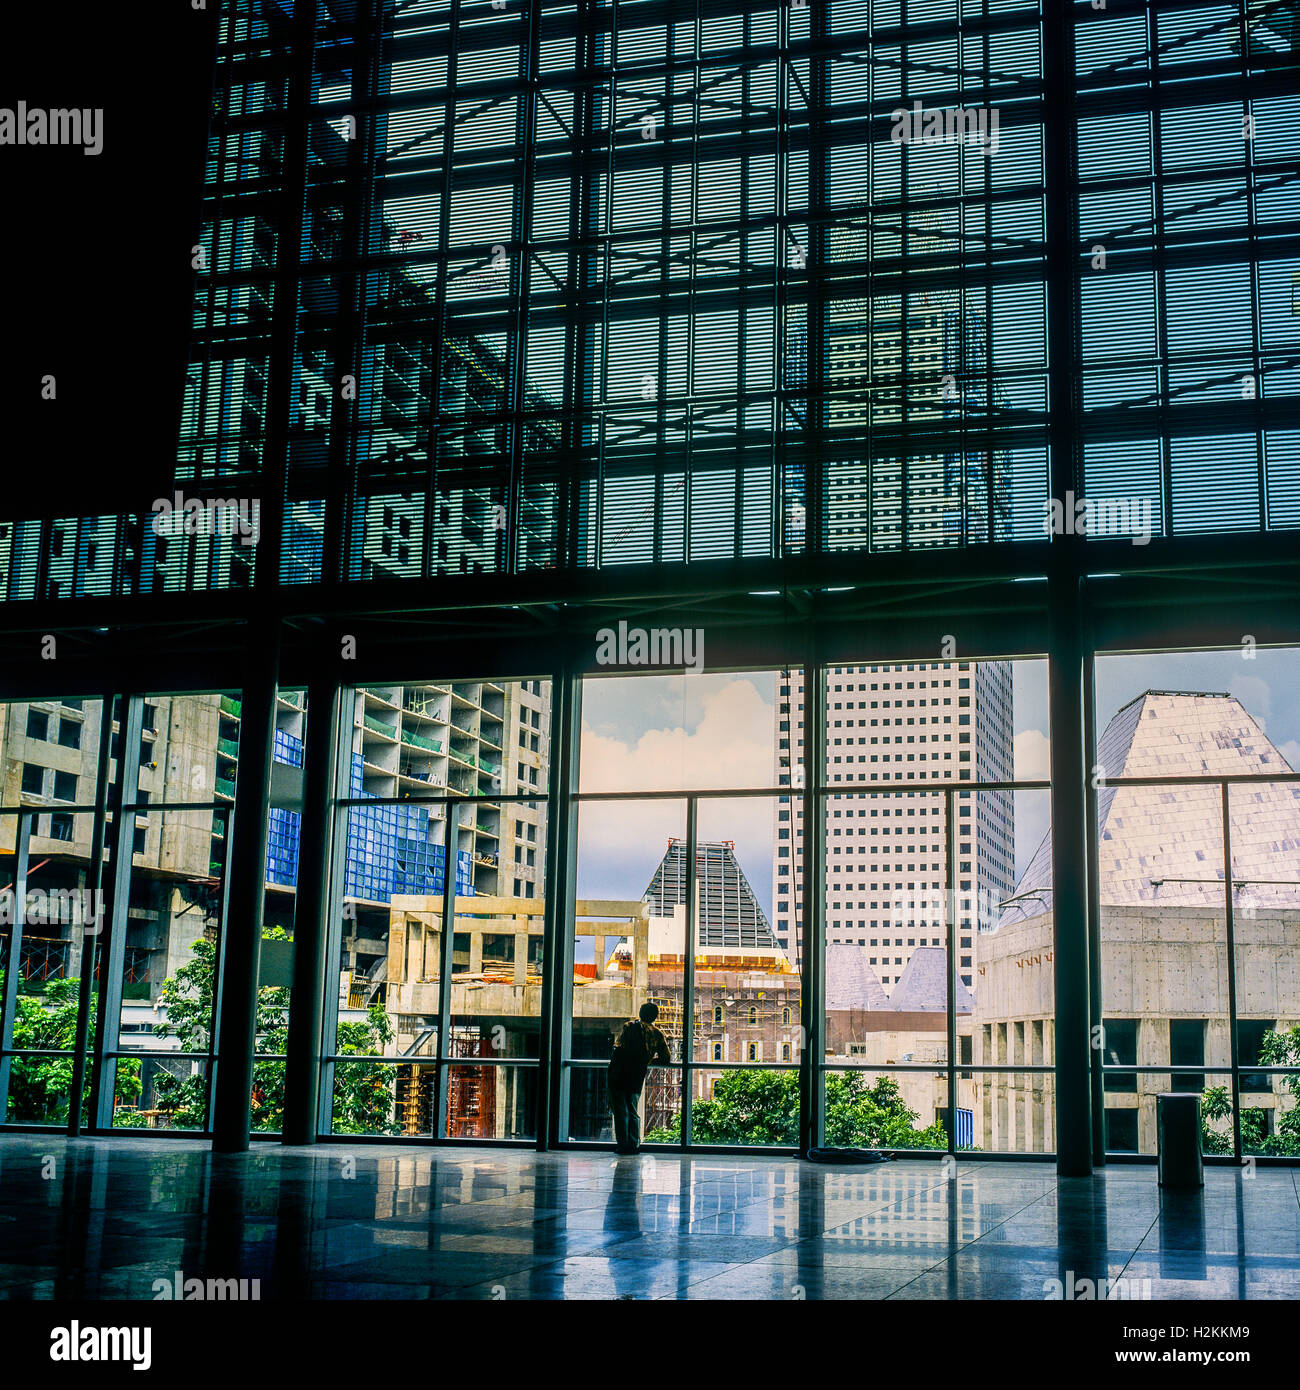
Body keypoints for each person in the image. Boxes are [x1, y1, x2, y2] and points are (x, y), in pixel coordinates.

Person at [607, 1002, 671, 1155]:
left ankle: (623, 1144)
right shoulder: (657, 1034)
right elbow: (666, 1058)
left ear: (641, 1013)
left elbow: (619, 1047)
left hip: (619, 1072)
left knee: (620, 1109)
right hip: (637, 1074)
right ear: (655, 1016)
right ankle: (634, 1143)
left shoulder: (629, 1027)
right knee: (632, 1108)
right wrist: (647, 1061)